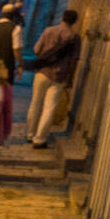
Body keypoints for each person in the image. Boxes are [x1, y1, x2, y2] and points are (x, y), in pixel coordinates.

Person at [25, 9, 80, 148]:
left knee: (35, 103)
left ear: (62, 17)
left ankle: (30, 134)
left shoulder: (49, 31)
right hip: (59, 76)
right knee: (49, 108)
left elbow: (37, 50)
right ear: (74, 21)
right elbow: (74, 60)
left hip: (42, 72)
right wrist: (70, 78)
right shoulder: (74, 37)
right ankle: (40, 139)